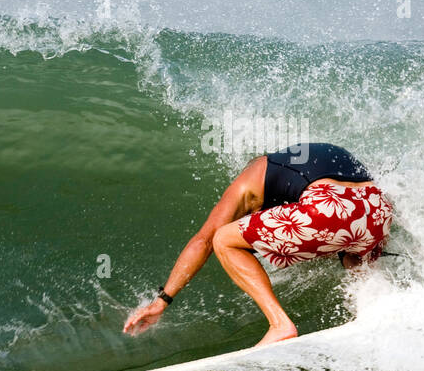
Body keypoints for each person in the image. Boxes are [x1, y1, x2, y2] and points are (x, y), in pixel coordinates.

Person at [122, 143, 394, 345]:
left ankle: (280, 325)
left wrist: (162, 301)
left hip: (327, 207)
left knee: (225, 239)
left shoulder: (251, 178)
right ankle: (375, 307)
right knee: (350, 251)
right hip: (379, 210)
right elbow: (352, 209)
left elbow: (203, 241)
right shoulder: (309, 160)